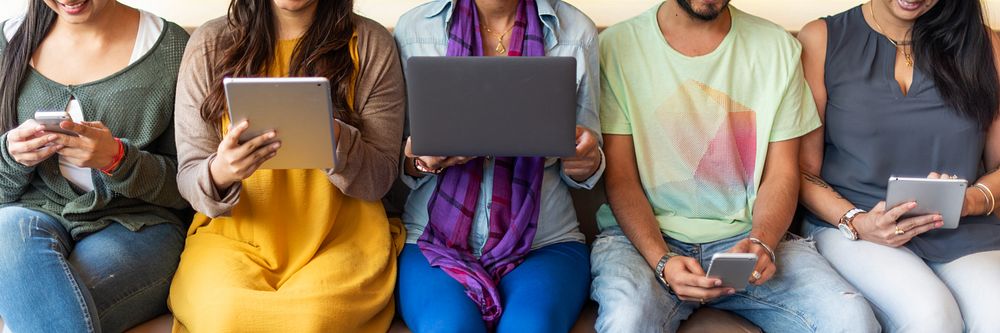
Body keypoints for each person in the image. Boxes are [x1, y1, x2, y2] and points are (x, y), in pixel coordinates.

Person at [589, 1, 881, 332]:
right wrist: (662, 261)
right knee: (626, 321)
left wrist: (763, 242)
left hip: (747, 238)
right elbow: (621, 178)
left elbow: (782, 174)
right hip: (642, 243)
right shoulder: (615, 47)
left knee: (851, 319)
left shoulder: (776, 48)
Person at [167, 0, 405, 331]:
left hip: (340, 241)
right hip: (233, 242)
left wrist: (334, 138)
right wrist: (222, 170)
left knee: (313, 319)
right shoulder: (209, 43)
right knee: (224, 314)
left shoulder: (370, 43)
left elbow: (381, 178)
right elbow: (190, 175)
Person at [392, 0, 603, 332]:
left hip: (544, 240)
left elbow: (589, 156)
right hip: (433, 237)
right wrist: (421, 161)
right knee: (448, 327)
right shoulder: (414, 29)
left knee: (530, 327)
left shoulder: (577, 32)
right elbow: (397, 160)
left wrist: (586, 161)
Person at [798, 0, 1000, 331]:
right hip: (855, 227)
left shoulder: (984, 45)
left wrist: (971, 200)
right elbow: (803, 171)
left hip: (961, 229)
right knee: (931, 315)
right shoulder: (821, 39)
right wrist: (857, 221)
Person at [0, 0, 190, 331]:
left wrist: (118, 159)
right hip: (30, 213)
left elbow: (189, 186)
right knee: (5, 232)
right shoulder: (10, 40)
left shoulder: (171, 49)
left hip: (136, 225)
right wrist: (12, 155)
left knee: (45, 304)